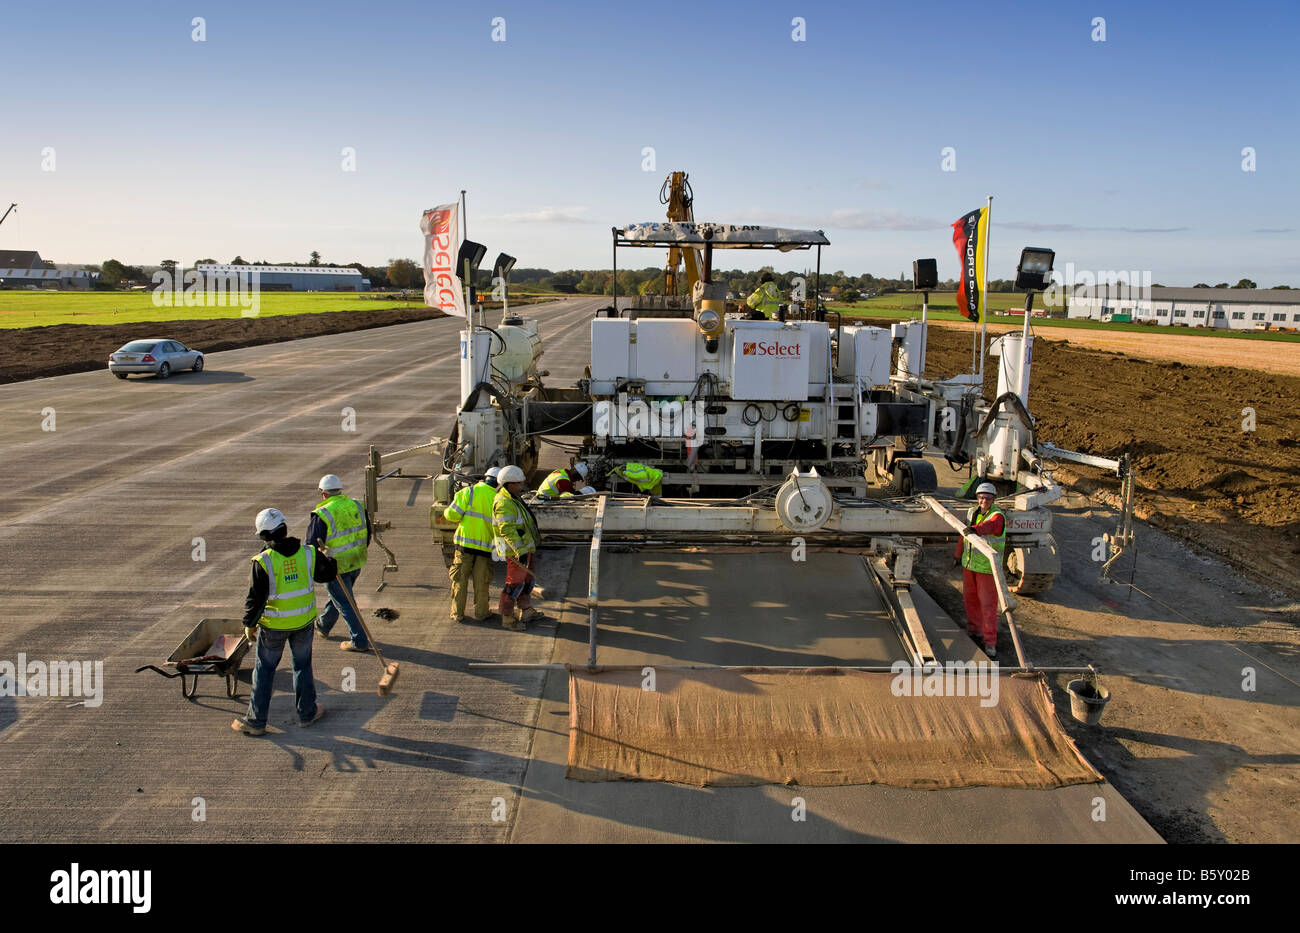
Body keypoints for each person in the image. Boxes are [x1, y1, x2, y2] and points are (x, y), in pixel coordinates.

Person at [232, 508, 336, 736]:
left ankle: (256, 721)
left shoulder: (263, 561)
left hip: (274, 627)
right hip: (303, 623)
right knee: (302, 666)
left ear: (263, 536)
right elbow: (326, 575)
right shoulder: (309, 553)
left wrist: (249, 624)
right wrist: (329, 559)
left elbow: (255, 599)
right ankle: (307, 713)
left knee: (265, 670)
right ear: (285, 528)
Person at [307, 474, 371, 653]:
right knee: (340, 596)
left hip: (335, 565)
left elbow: (311, 546)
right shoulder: (356, 505)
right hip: (356, 560)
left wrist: (320, 568)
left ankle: (359, 640)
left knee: (345, 602)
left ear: (323, 493)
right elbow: (368, 532)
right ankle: (323, 625)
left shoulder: (323, 514)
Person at [953, 481, 1005, 659]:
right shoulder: (971, 512)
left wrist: (974, 529)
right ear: (977, 498)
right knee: (970, 601)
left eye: (988, 498)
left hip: (987, 569)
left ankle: (990, 642)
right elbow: (963, 535)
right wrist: (957, 554)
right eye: (982, 497)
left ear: (993, 499)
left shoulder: (997, 515)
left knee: (988, 605)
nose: (984, 501)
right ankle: (973, 631)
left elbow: (989, 527)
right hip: (969, 565)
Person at [443, 469, 500, 624]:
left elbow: (452, 515)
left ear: (485, 478)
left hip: (464, 547)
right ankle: (482, 613)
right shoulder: (498, 498)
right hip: (484, 549)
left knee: (459, 580)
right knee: (482, 581)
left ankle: (457, 614)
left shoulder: (468, 492)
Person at [492, 465, 541, 631]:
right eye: (518, 483)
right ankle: (507, 617)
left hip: (525, 548)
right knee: (514, 584)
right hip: (516, 551)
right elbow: (507, 529)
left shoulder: (513, 497)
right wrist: (519, 551)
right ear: (508, 484)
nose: (521, 486)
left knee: (527, 581)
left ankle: (526, 610)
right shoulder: (504, 503)